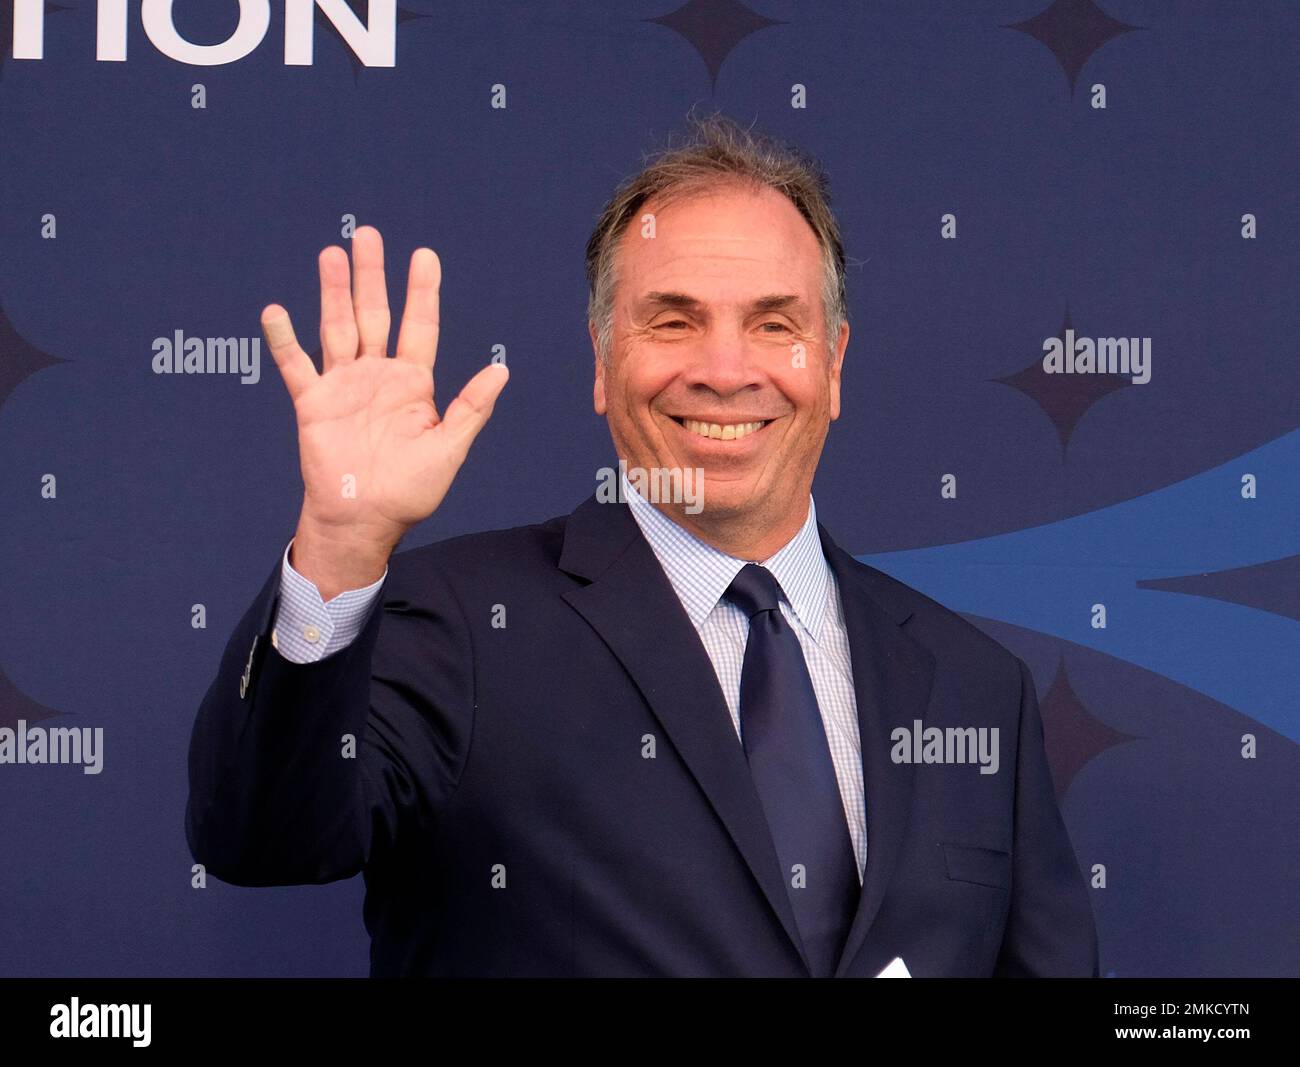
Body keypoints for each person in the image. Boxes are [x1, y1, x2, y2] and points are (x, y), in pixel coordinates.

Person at [185, 112, 1098, 977]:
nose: (725, 369)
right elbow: (266, 838)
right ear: (601, 359)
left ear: (832, 365)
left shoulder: (974, 685)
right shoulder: (459, 625)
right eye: (673, 320)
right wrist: (341, 542)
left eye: (774, 323)